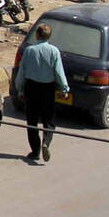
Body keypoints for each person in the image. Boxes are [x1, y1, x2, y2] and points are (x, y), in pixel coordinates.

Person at [13, 23, 69, 163]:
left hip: (31, 88)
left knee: (32, 121)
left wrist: (20, 89)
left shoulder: (29, 51)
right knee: (48, 120)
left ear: (37, 35)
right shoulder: (54, 51)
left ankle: (35, 151)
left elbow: (22, 72)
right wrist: (64, 88)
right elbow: (59, 72)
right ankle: (46, 142)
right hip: (47, 89)